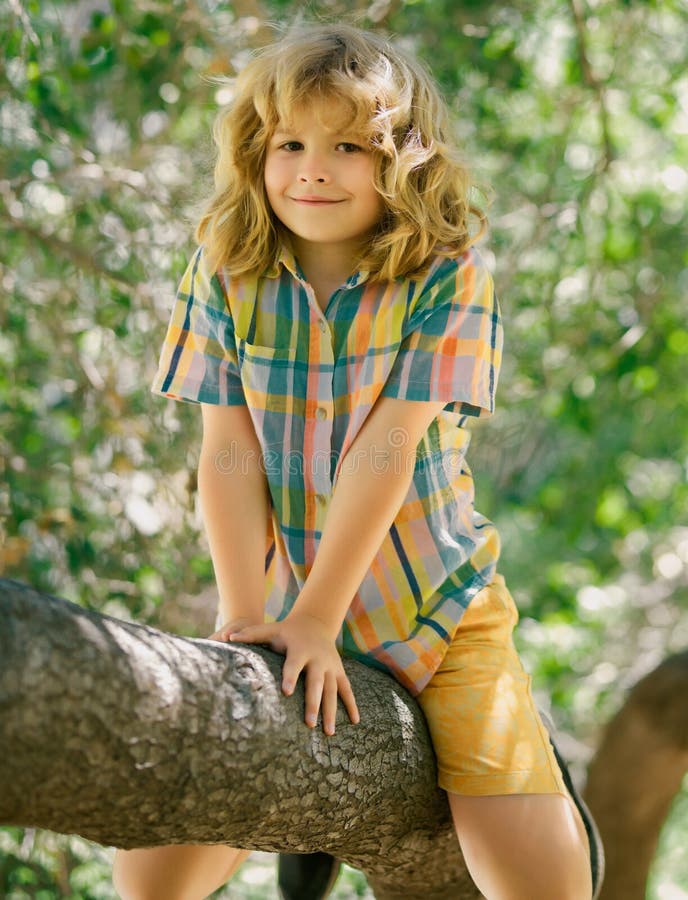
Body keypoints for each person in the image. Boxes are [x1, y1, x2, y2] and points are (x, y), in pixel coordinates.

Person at [113, 21, 603, 900]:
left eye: (348, 146)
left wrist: (320, 620)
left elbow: (385, 448)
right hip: (284, 596)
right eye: (290, 144)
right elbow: (226, 453)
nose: (312, 167)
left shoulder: (446, 276)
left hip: (434, 607)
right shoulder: (226, 271)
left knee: (533, 875)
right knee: (150, 876)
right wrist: (248, 617)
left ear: (404, 163)